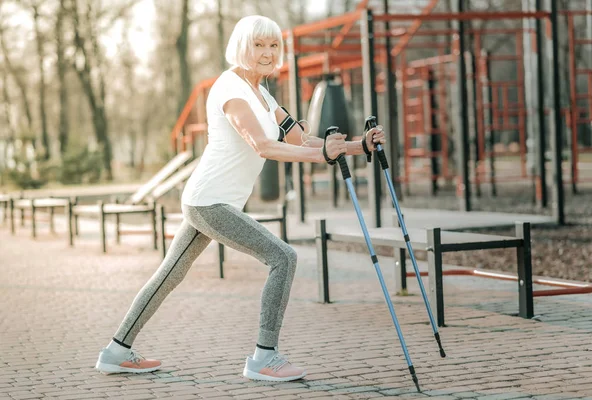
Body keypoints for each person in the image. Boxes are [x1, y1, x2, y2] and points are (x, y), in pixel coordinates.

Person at [95, 15, 386, 382]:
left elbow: (300, 139)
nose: (266, 53)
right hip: (210, 201)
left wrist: (357, 146)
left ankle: (116, 351)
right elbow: (263, 145)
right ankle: (264, 357)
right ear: (242, 47)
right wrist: (321, 156)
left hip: (213, 200)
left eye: (273, 45)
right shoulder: (230, 89)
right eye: (258, 45)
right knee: (283, 257)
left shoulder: (261, 93)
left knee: (169, 274)